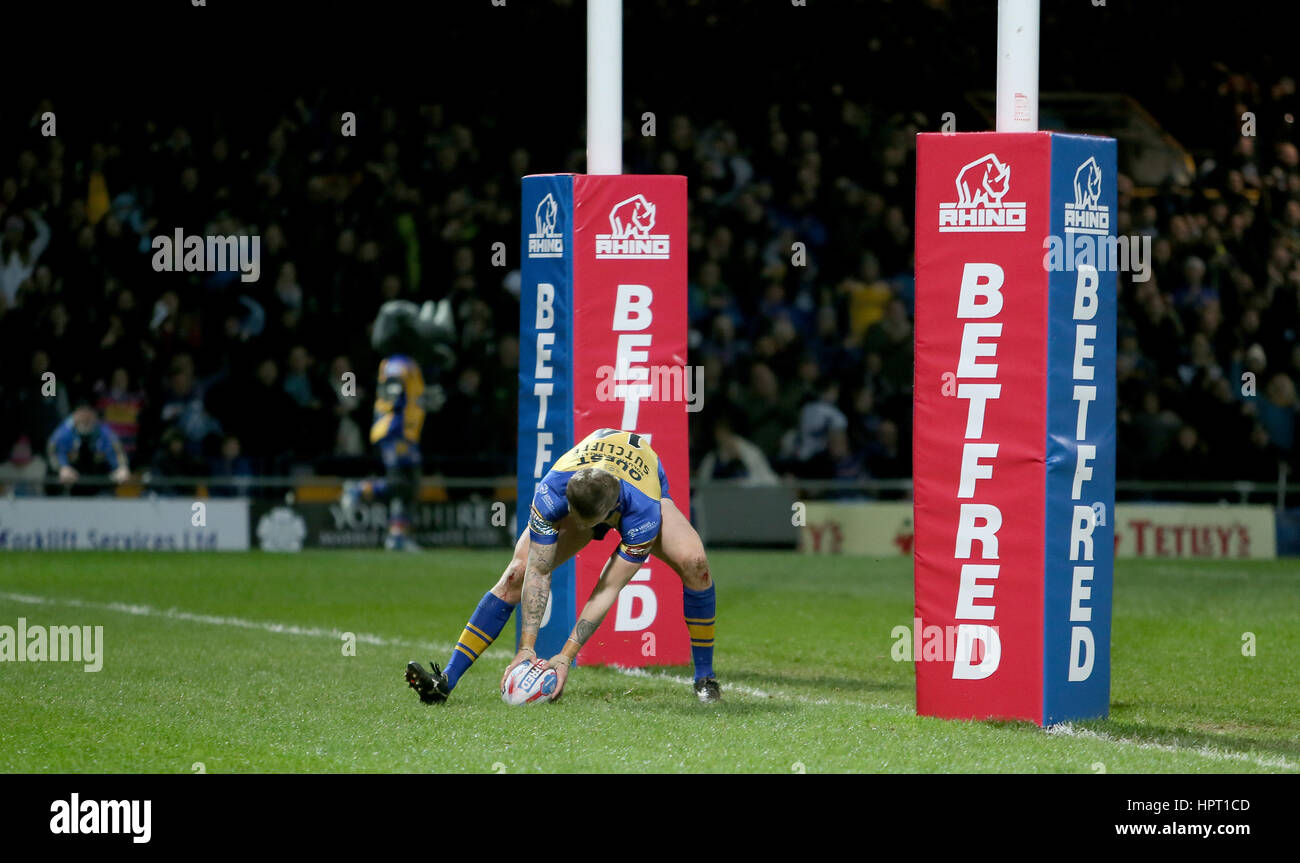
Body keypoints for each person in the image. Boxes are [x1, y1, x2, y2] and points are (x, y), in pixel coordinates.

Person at [405, 427, 721, 704]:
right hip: (594, 478)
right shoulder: (552, 492)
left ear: (609, 514)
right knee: (516, 574)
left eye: (584, 523)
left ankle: (704, 677)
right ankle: (445, 681)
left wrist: (566, 657)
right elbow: (538, 571)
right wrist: (527, 647)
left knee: (695, 563)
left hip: (641, 481)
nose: (574, 526)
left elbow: (608, 587)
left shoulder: (642, 514)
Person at [47, 400, 130, 495]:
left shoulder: (103, 431)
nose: (85, 419)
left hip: (97, 478)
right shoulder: (63, 432)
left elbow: (117, 451)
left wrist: (121, 467)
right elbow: (54, 452)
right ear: (75, 415)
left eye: (88, 415)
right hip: (71, 479)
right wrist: (62, 467)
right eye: (82, 415)